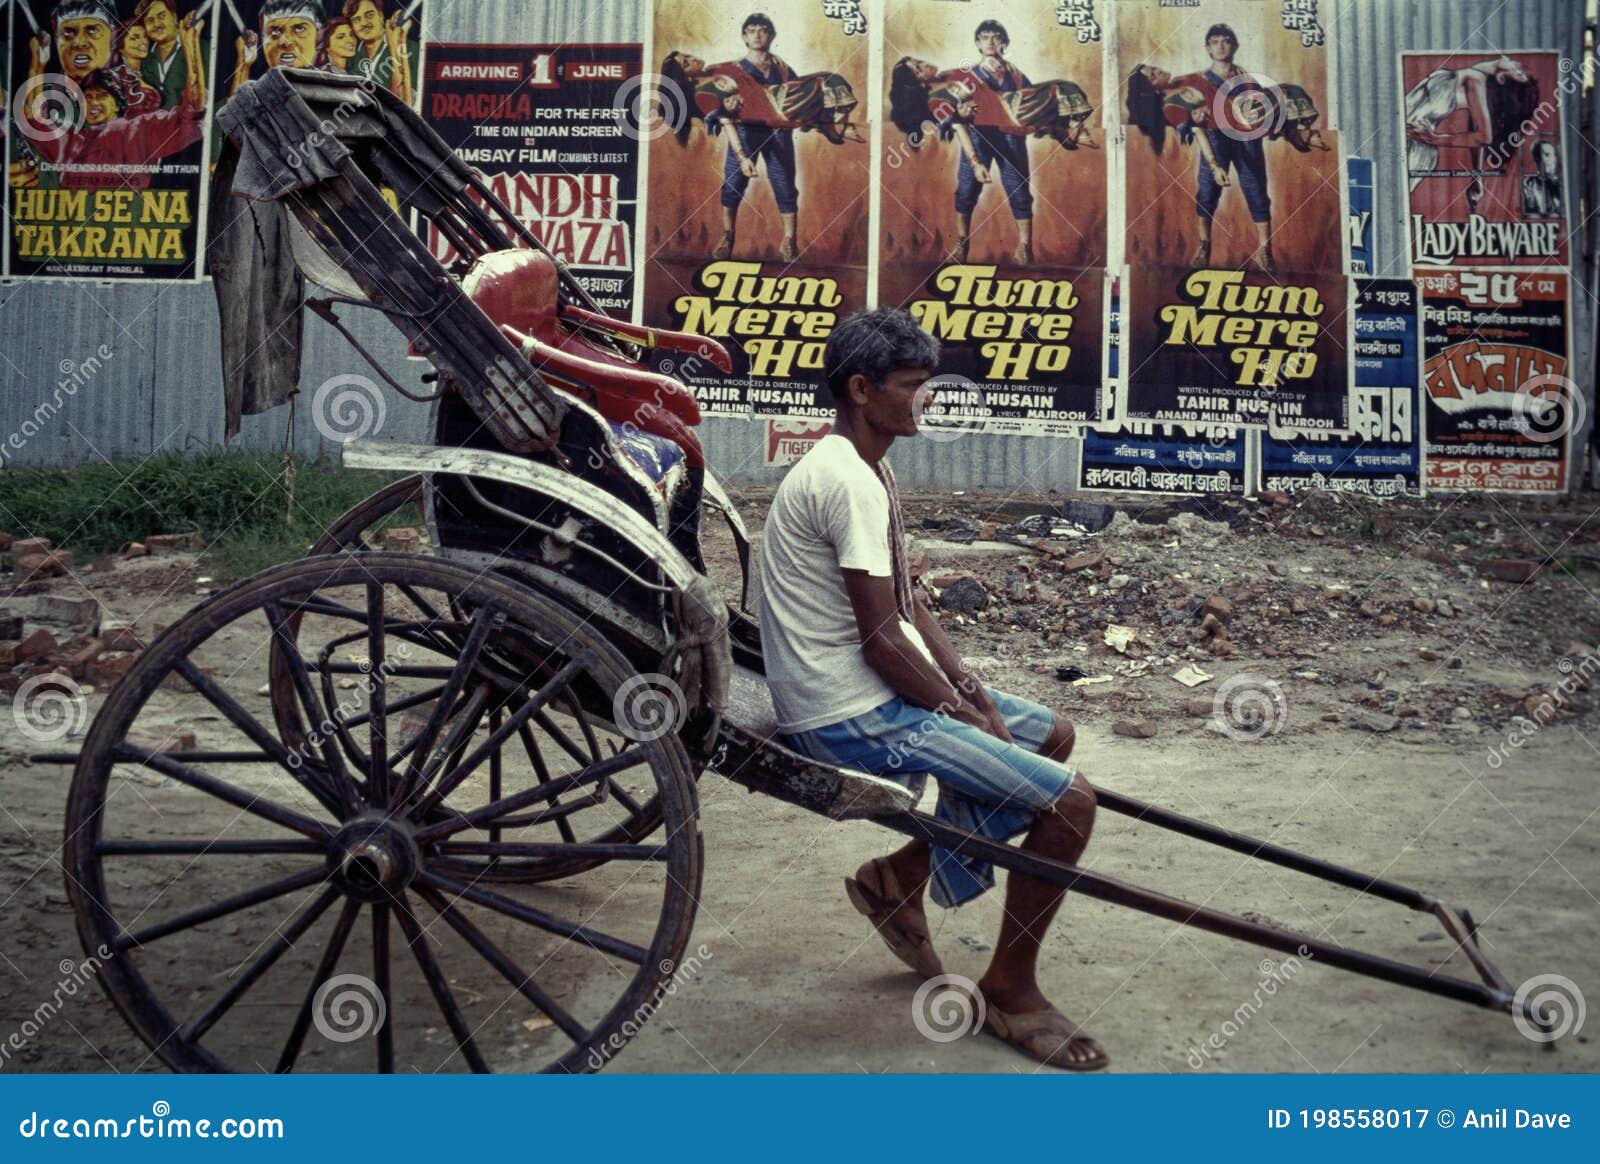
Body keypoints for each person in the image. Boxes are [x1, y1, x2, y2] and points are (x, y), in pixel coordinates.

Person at [757, 307, 1106, 1071]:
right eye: (913, 387)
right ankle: (1012, 991)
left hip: (867, 691)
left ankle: (898, 879)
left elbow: (907, 603)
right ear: (861, 388)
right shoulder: (844, 479)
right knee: (1068, 803)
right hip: (845, 714)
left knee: (1049, 735)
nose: (926, 401)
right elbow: (883, 643)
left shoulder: (868, 465)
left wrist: (971, 691)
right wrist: (961, 715)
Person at [713, 13, 800, 263]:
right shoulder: (733, 72)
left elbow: (798, 104)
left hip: (778, 133)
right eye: (751, 30)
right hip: (744, 132)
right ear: (744, 36)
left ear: (771, 36)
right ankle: (728, 237)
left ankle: (790, 241)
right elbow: (724, 116)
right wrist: (741, 156)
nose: (757, 34)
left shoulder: (784, 70)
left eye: (763, 30)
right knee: (732, 185)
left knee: (785, 186)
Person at [1404, 55, 1536, 212]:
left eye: (1519, 73)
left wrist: (1435, 138)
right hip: (1412, 140)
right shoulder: (1477, 80)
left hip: (1415, 147)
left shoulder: (1476, 79)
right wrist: (1477, 178)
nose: (1520, 64)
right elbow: (1476, 134)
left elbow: (1484, 137)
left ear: (1501, 78)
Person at [344, 0, 413, 102]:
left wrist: (394, 42)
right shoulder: (350, 58)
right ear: (352, 27)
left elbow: (406, 102)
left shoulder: (410, 48)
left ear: (380, 16)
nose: (364, 23)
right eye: (357, 20)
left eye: (370, 15)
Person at [135, 0, 192, 110]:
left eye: (162, 16)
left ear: (174, 16)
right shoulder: (144, 60)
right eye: (150, 20)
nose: (157, 24)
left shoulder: (198, 47)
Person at [102, 19, 164, 119]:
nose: (143, 42)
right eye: (134, 38)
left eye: (145, 36)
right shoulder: (112, 77)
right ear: (120, 46)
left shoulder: (151, 73)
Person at [1521, 140, 1562, 218]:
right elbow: (1529, 216)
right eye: (1547, 155)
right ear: (1537, 158)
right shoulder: (1529, 184)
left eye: (1555, 155)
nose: (1553, 160)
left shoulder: (1563, 183)